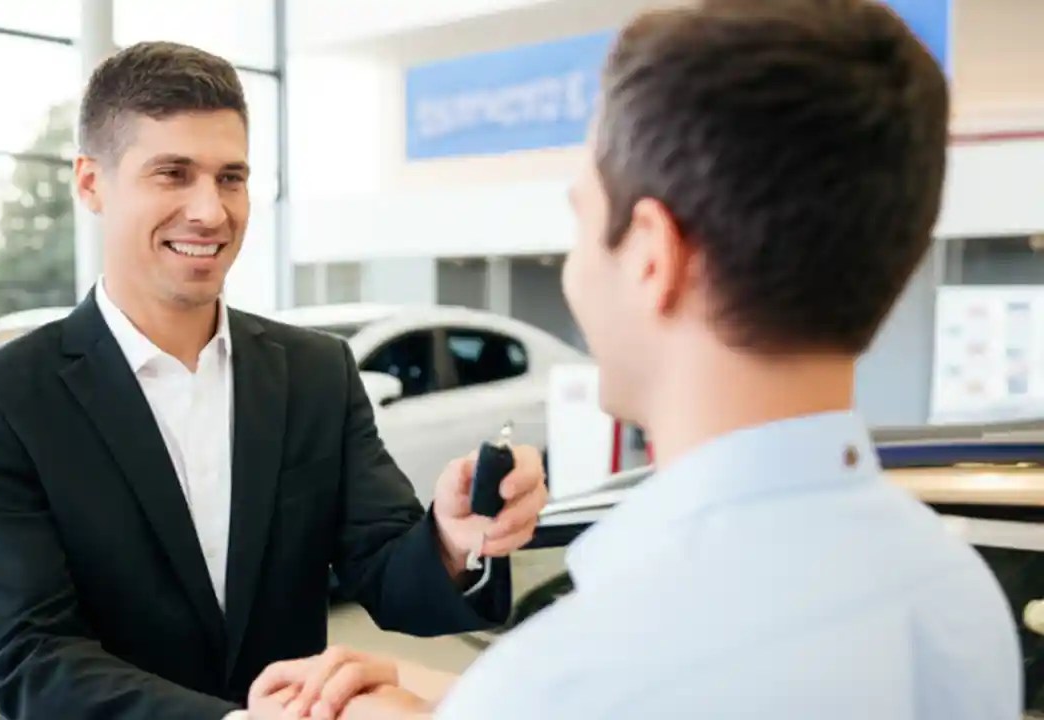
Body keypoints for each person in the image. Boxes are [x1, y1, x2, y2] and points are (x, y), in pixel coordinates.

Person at [246, 1, 1024, 718]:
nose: (574, 271)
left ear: (652, 254)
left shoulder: (576, 671)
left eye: (582, 224)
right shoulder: (959, 601)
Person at [0, 41, 547, 720]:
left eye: (231, 177)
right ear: (90, 182)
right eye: (173, 173)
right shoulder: (3, 400)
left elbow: (382, 566)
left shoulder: (315, 371)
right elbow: (25, 653)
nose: (211, 211)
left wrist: (453, 539)